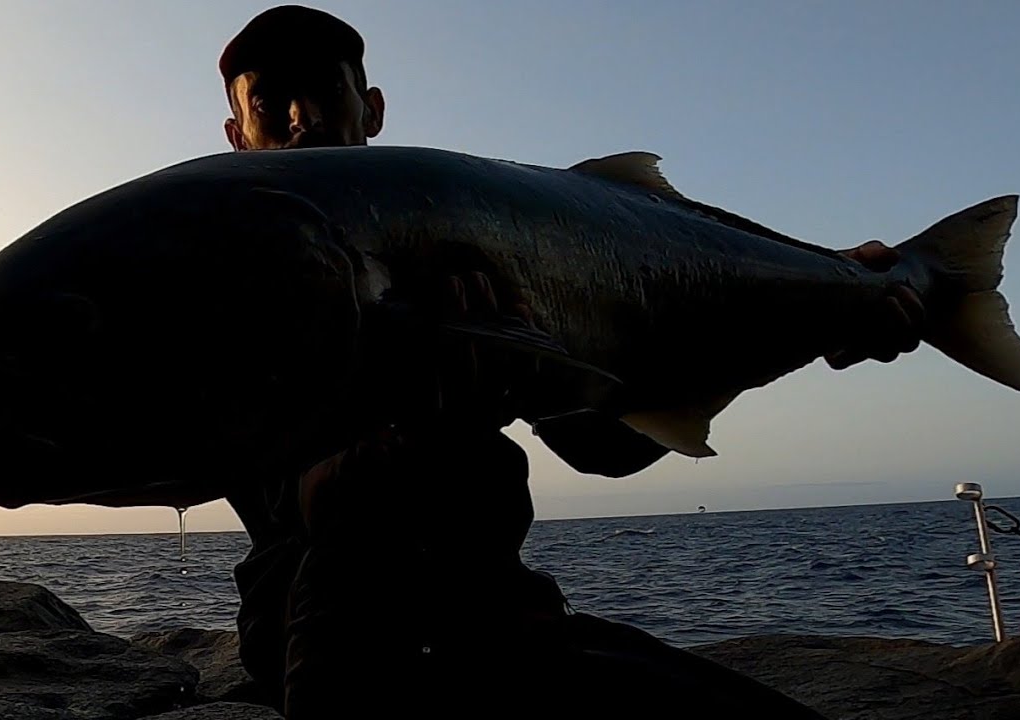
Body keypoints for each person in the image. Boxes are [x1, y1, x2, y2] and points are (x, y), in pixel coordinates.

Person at [213, 5, 924, 716]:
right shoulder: (220, 282)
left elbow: (605, 446)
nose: (303, 117)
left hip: (498, 615)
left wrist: (816, 315)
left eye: (326, 91)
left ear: (371, 109)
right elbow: (267, 480)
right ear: (236, 136)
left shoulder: (452, 241)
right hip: (312, 616)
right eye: (269, 103)